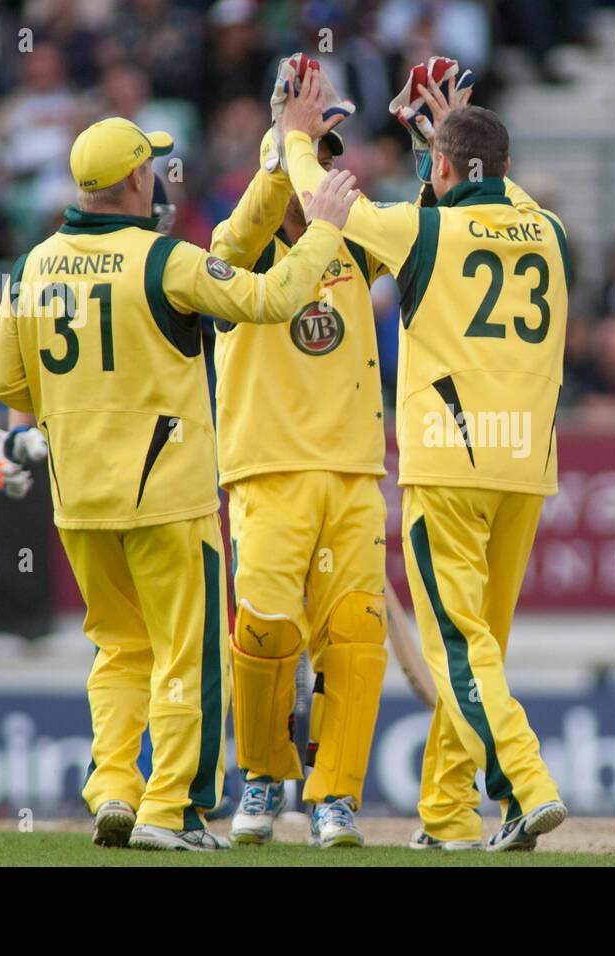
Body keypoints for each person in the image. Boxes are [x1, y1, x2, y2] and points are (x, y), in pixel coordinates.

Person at [0, 116, 359, 851]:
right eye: (151, 164)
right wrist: (322, 232)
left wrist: (31, 433)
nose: (157, 173)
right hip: (167, 498)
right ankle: (173, 810)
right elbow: (271, 300)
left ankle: (115, 789)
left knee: (119, 652)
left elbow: (7, 381)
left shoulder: (31, 266)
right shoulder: (167, 260)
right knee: (185, 654)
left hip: (80, 503)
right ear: (133, 179)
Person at [280, 64, 570, 851]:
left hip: (450, 462)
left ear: (441, 170)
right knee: (476, 647)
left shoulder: (420, 230)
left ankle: (525, 784)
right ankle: (446, 815)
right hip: (526, 467)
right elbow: (484, 192)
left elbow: (323, 203)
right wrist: (442, 141)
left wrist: (297, 141)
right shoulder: (549, 227)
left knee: (458, 647)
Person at [209, 122, 390, 849]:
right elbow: (238, 239)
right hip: (267, 471)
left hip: (351, 473)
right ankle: (260, 776)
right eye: (313, 163)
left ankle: (334, 797)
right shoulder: (235, 249)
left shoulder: (356, 241)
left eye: (330, 164)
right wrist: (286, 152)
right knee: (264, 634)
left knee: (354, 640)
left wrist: (429, 140)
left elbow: (429, 234)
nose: (330, 180)